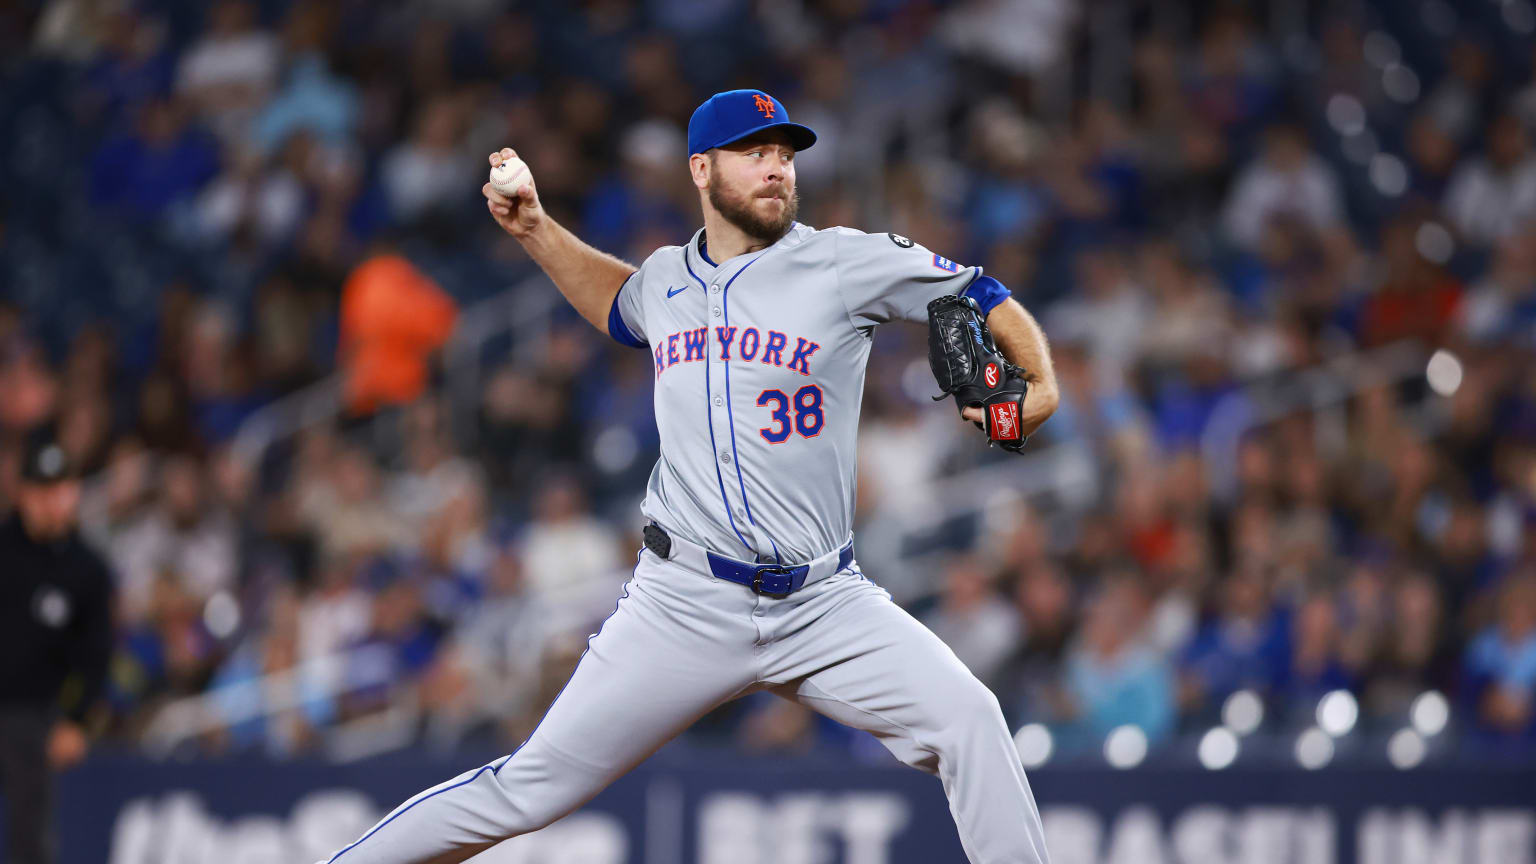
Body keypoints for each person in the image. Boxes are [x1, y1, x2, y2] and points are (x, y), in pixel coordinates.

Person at [321, 88, 1059, 864]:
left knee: (970, 718)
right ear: (702, 170)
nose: (777, 168)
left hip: (822, 602)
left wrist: (1037, 388)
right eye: (755, 152)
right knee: (526, 789)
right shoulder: (667, 279)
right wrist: (537, 230)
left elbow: (980, 293)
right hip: (684, 602)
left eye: (784, 154)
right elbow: (617, 301)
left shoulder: (843, 260)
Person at [0, 430, 115, 864]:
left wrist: (76, 718)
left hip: (36, 717)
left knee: (31, 836)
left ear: (75, 493)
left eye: (61, 490)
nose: (51, 501)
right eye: (42, 490)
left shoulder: (86, 569)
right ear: (23, 492)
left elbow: (96, 653)